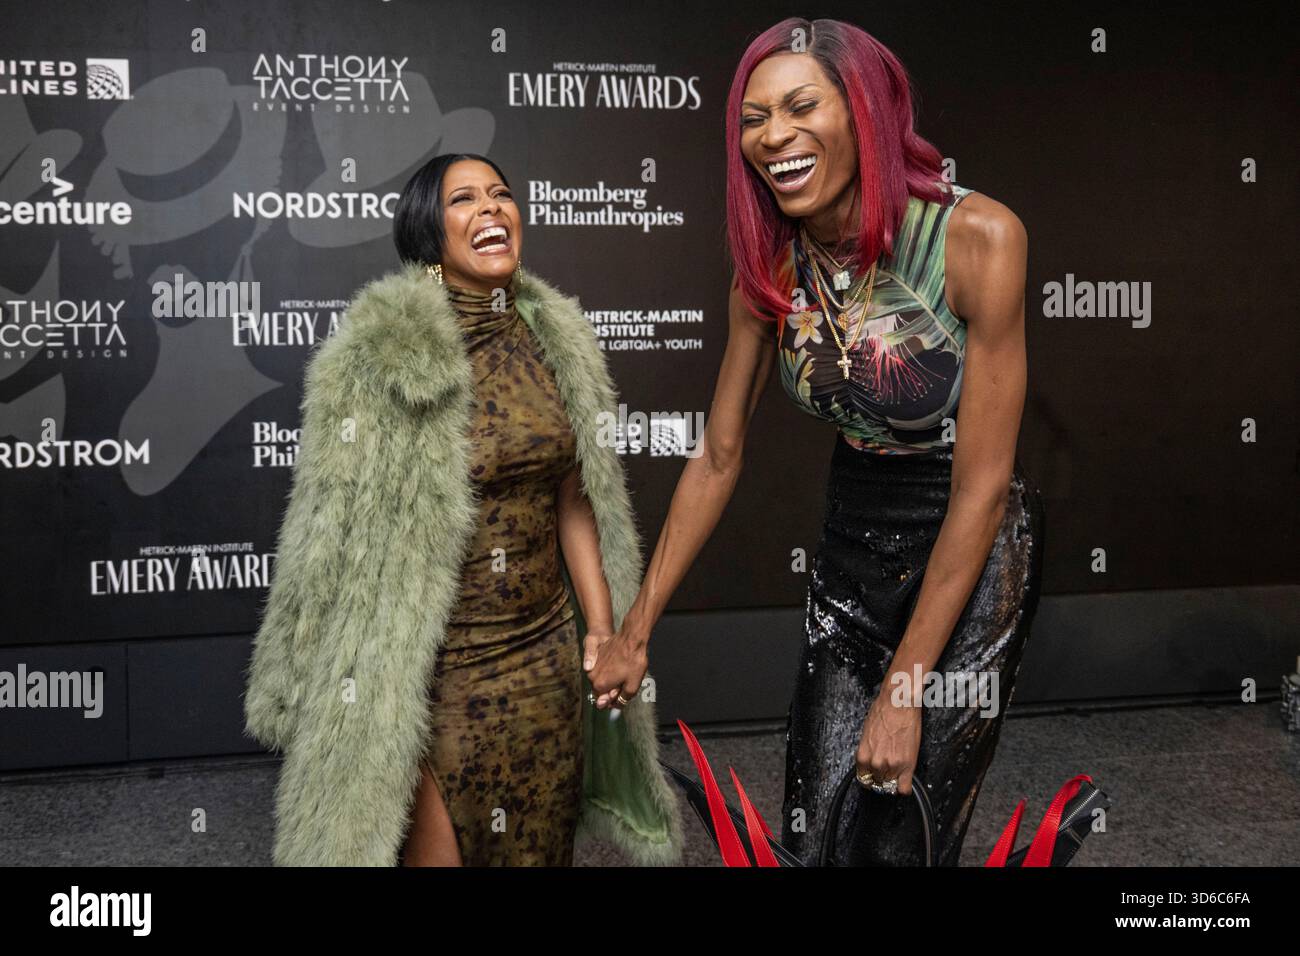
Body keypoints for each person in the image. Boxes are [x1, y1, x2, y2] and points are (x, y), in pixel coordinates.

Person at [586, 18, 1045, 866]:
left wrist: (906, 690)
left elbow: (983, 486)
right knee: (818, 824)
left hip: (972, 547)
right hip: (854, 532)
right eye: (753, 118)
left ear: (864, 111)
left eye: (801, 105)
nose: (773, 136)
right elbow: (720, 455)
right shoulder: (769, 270)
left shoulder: (977, 240)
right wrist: (636, 627)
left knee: (900, 834)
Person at [243, 153, 682, 867]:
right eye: (465, 200)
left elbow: (572, 497)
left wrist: (600, 630)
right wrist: (304, 674)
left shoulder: (555, 338)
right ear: (428, 232)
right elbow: (326, 529)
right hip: (431, 670)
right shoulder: (381, 356)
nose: (491, 210)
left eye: (502, 195)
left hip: (543, 659)